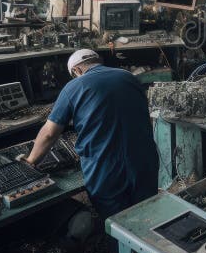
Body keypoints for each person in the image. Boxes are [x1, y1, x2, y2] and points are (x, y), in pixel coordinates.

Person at [22, 49, 158, 219]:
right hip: (144, 160)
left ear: (76, 70)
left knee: (117, 223)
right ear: (97, 61)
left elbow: (49, 134)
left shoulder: (73, 87)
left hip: (106, 168)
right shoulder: (129, 77)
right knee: (147, 215)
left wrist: (30, 161)